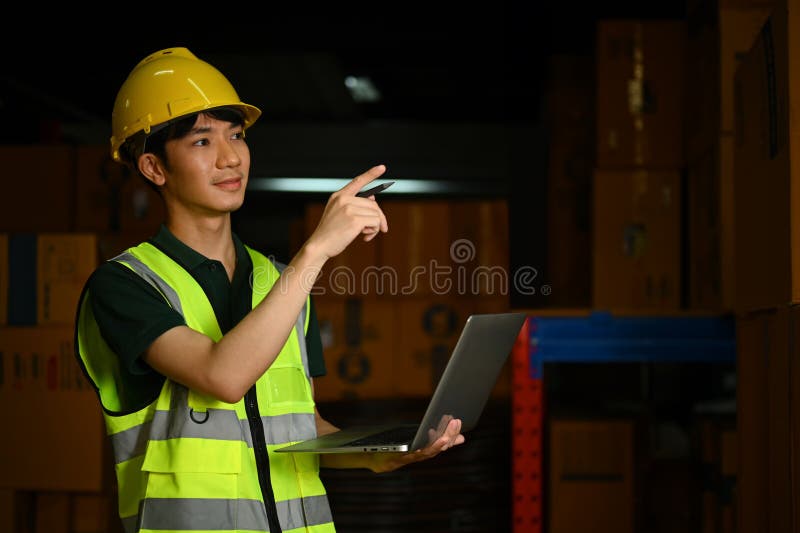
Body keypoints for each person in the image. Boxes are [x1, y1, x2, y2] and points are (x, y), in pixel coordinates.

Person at [74, 47, 464, 533]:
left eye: (235, 135)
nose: (230, 156)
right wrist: (317, 251)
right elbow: (223, 377)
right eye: (201, 141)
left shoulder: (279, 279)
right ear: (154, 168)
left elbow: (303, 428)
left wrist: (380, 456)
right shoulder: (126, 285)